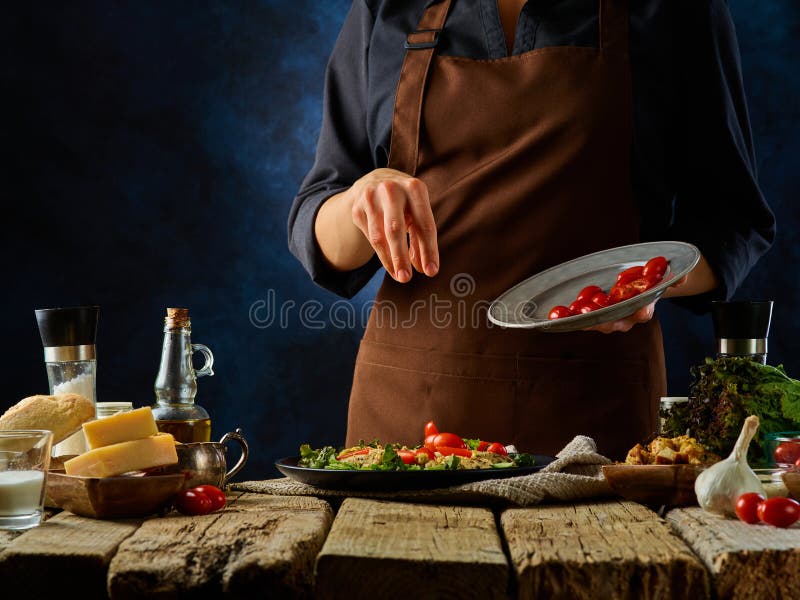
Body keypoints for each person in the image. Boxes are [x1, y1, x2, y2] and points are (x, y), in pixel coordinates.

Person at [287, 0, 775, 460]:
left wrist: (643, 283)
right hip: (407, 424)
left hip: (592, 420)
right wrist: (360, 200)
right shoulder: (389, 8)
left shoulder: (673, 10)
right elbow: (318, 223)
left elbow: (733, 221)